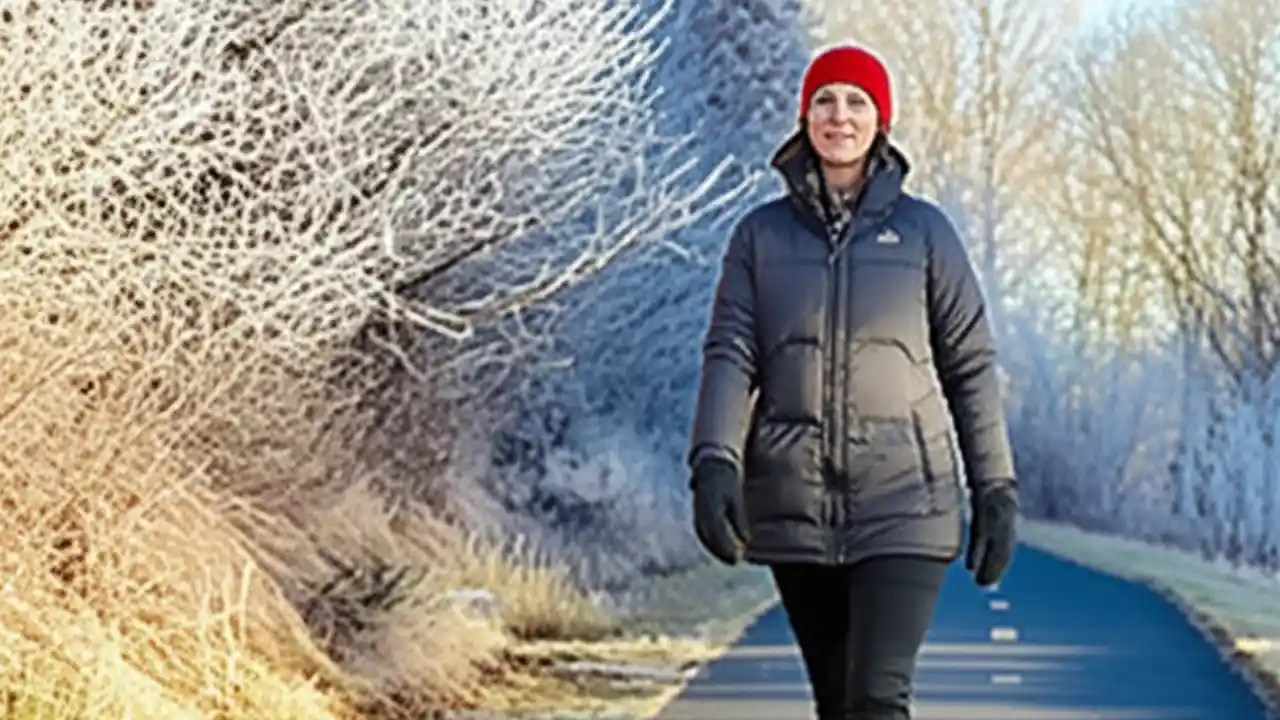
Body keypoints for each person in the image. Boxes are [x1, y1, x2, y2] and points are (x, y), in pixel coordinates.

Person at [686, 44, 1019, 719]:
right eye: (825, 101)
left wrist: (995, 487)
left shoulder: (925, 234)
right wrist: (714, 461)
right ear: (805, 117)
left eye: (857, 101)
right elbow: (730, 354)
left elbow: (969, 365)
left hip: (906, 501)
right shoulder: (759, 236)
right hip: (794, 502)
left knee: (875, 699)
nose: (840, 115)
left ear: (881, 120)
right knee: (838, 703)